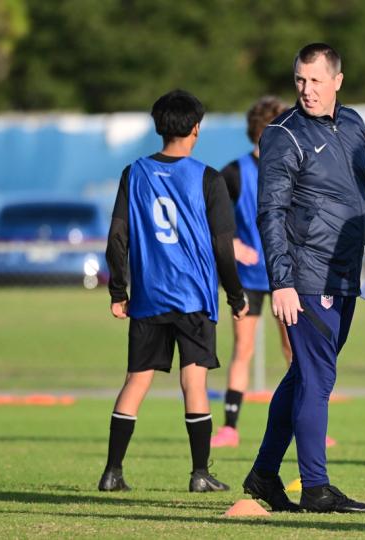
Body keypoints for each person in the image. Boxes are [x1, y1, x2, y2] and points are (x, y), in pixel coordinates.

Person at [241, 43, 365, 513]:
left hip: (345, 274)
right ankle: (315, 487)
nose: (306, 90)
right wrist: (282, 281)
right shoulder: (282, 135)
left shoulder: (353, 125)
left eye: (315, 80)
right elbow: (269, 213)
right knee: (317, 379)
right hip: (306, 277)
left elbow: (361, 199)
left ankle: (264, 476)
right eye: (299, 80)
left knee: (301, 377)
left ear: (337, 80)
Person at [98, 89, 249, 493]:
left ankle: (112, 471)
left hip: (148, 298)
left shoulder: (134, 173)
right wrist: (236, 296)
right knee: (194, 384)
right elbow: (222, 247)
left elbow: (117, 238)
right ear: (196, 127)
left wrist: (118, 291)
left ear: (158, 126)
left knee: (135, 381)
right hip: (194, 298)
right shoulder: (208, 178)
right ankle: (200, 474)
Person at [210, 96, 293, 449]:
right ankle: (230, 427)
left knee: (295, 350)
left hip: (287, 276)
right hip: (249, 279)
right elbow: (208, 219)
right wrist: (231, 246)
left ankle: (308, 424)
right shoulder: (234, 173)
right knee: (242, 349)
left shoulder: (295, 168)